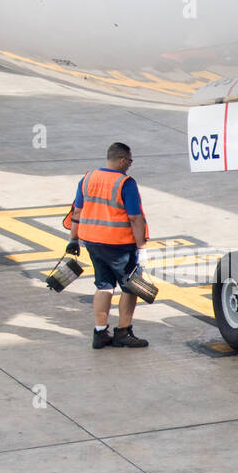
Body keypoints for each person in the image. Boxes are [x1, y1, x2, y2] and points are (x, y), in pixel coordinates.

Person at [67, 141, 151, 348]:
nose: (130, 165)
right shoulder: (125, 183)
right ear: (122, 160)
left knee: (103, 286)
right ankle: (123, 331)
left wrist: (73, 240)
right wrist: (141, 249)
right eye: (130, 160)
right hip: (119, 245)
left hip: (92, 242)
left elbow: (77, 211)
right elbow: (134, 218)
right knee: (130, 287)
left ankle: (100, 332)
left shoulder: (87, 178)